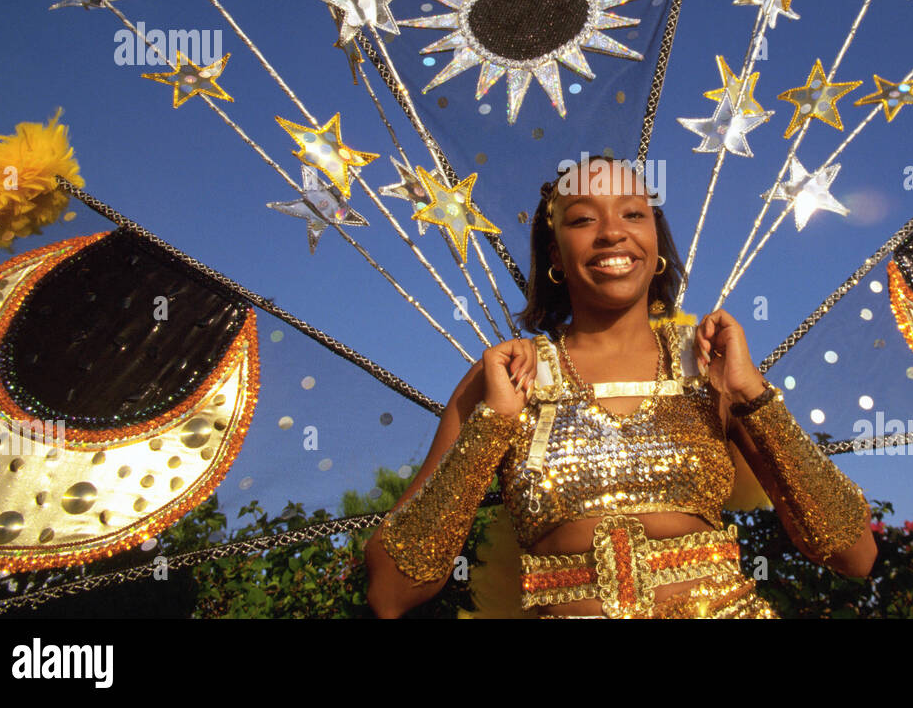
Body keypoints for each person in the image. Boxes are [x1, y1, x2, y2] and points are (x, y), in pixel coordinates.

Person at [365, 155, 876, 618]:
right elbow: (391, 592)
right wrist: (491, 427)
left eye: (634, 214)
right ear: (555, 256)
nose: (612, 232)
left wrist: (750, 398)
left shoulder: (711, 365)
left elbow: (854, 553)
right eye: (584, 218)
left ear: (655, 243)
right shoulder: (504, 377)